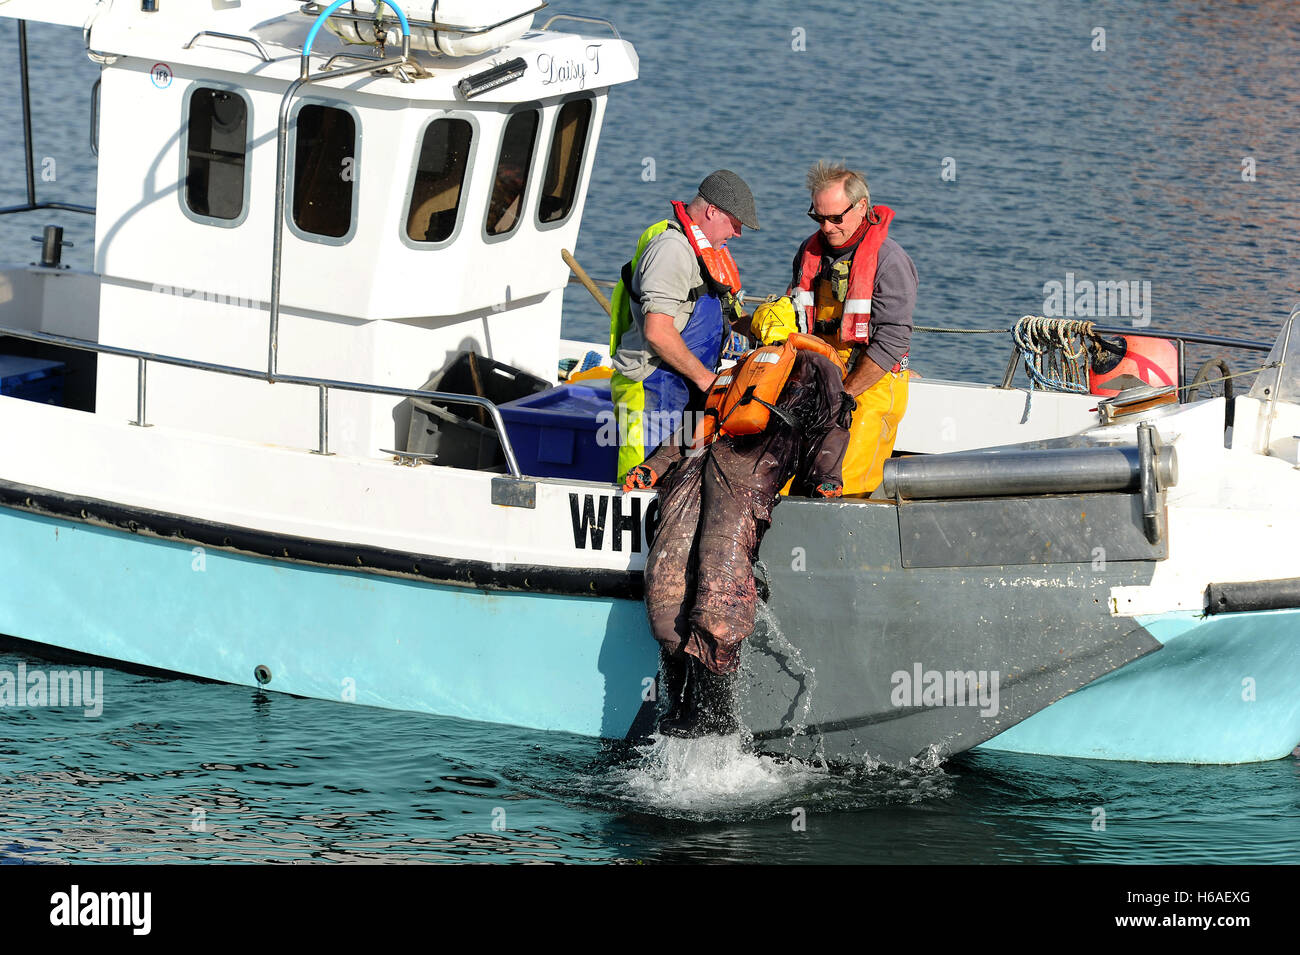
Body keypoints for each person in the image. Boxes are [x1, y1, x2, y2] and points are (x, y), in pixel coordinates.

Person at [624, 337, 854, 737]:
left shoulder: (799, 371)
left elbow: (829, 431)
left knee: (708, 595)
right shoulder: (753, 373)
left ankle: (712, 713)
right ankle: (686, 706)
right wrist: (656, 464)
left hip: (731, 480)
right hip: (708, 476)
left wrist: (825, 480)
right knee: (680, 591)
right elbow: (701, 424)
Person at [753, 161, 916, 495]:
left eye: (836, 218)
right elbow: (795, 313)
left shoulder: (890, 261)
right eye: (818, 217)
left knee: (844, 484)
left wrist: (844, 396)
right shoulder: (808, 252)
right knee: (781, 481)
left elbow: (893, 339)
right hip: (814, 381)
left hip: (868, 389)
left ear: (862, 208)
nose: (826, 227)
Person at [609, 170, 759, 481]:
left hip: (684, 389)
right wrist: (707, 380)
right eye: (735, 223)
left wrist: (764, 328)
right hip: (650, 391)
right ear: (712, 211)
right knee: (640, 488)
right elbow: (658, 332)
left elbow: (728, 316)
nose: (738, 233)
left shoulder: (707, 253)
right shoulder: (672, 250)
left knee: (677, 486)